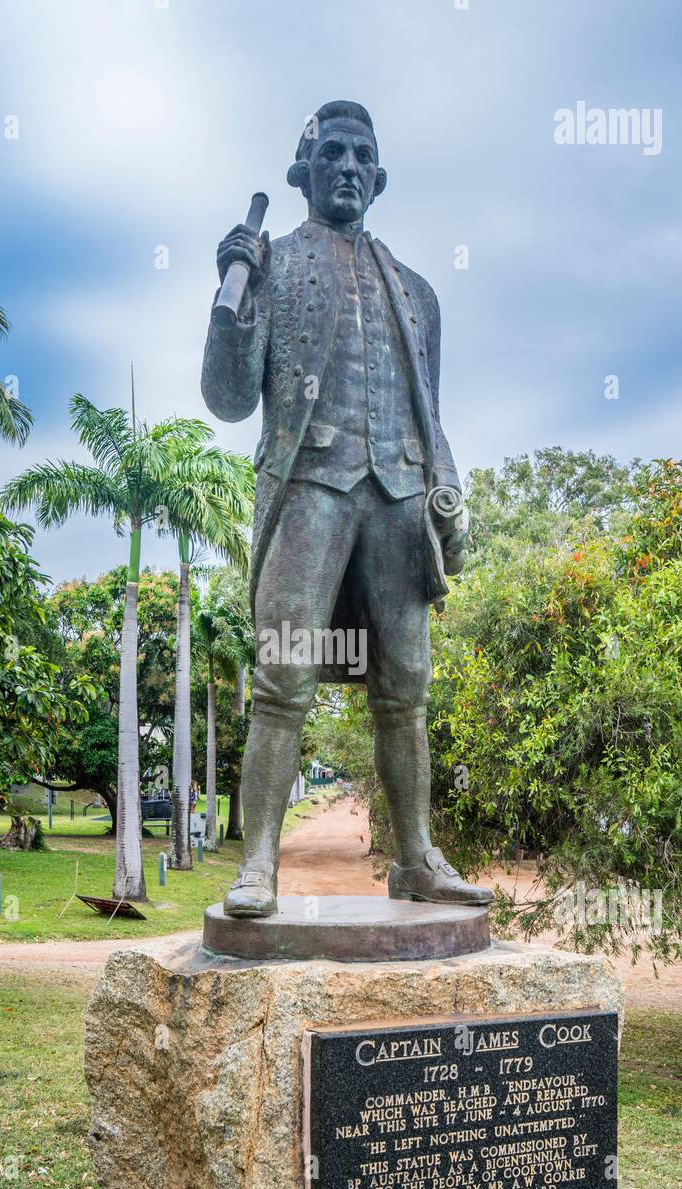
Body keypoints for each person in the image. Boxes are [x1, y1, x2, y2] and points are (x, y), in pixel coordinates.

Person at [202, 100, 493, 919]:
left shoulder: (416, 291)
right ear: (304, 172)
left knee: (406, 687)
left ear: (379, 175)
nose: (348, 168)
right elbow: (227, 398)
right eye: (331, 153)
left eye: (362, 156)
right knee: (282, 678)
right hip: (311, 492)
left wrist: (446, 496)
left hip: (399, 498)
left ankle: (416, 860)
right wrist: (231, 299)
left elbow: (427, 409)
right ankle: (259, 861)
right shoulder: (274, 263)